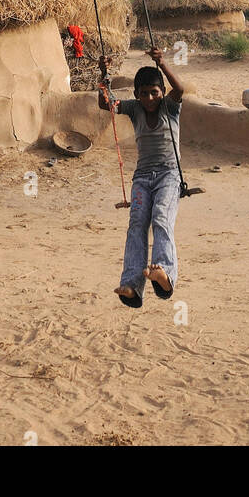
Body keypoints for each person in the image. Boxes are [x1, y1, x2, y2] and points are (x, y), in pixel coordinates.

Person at [97, 47, 184, 308]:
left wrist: (163, 63)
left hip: (169, 175)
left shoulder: (169, 107)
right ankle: (132, 285)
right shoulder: (134, 109)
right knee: (136, 224)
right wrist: (103, 74)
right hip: (143, 177)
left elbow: (179, 90)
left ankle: (165, 273)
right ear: (136, 95)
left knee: (160, 217)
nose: (149, 98)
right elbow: (106, 103)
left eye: (154, 93)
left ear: (161, 93)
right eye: (144, 93)